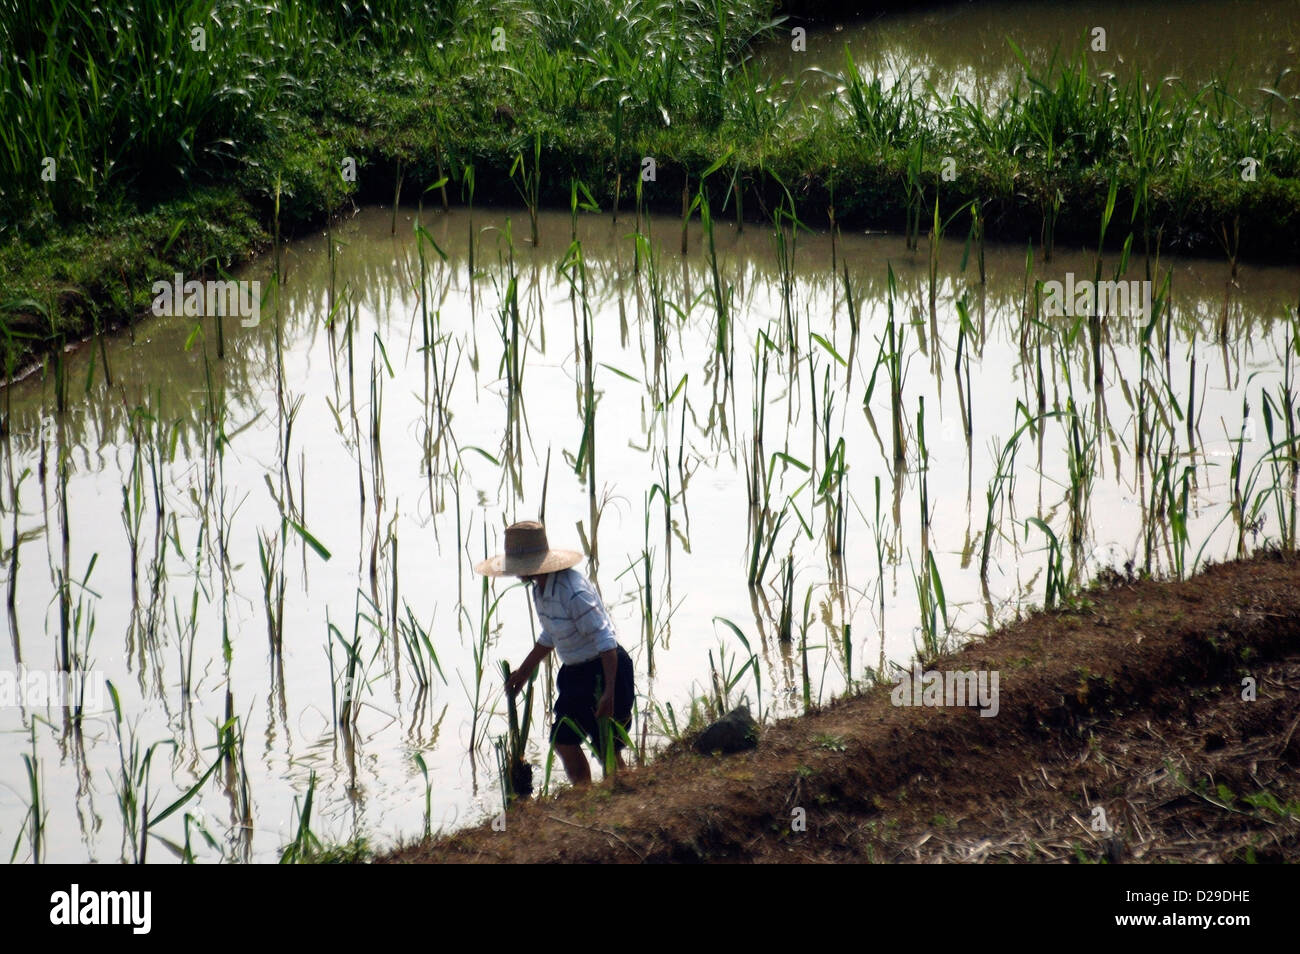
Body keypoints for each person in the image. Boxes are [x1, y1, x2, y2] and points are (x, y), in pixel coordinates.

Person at [474, 520, 635, 786]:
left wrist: (608, 693)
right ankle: (584, 797)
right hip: (574, 672)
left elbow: (605, 640)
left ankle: (623, 796)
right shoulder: (540, 589)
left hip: (604, 669)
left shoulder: (573, 592)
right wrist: (524, 672)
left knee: (607, 746)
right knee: (563, 740)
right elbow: (551, 635)